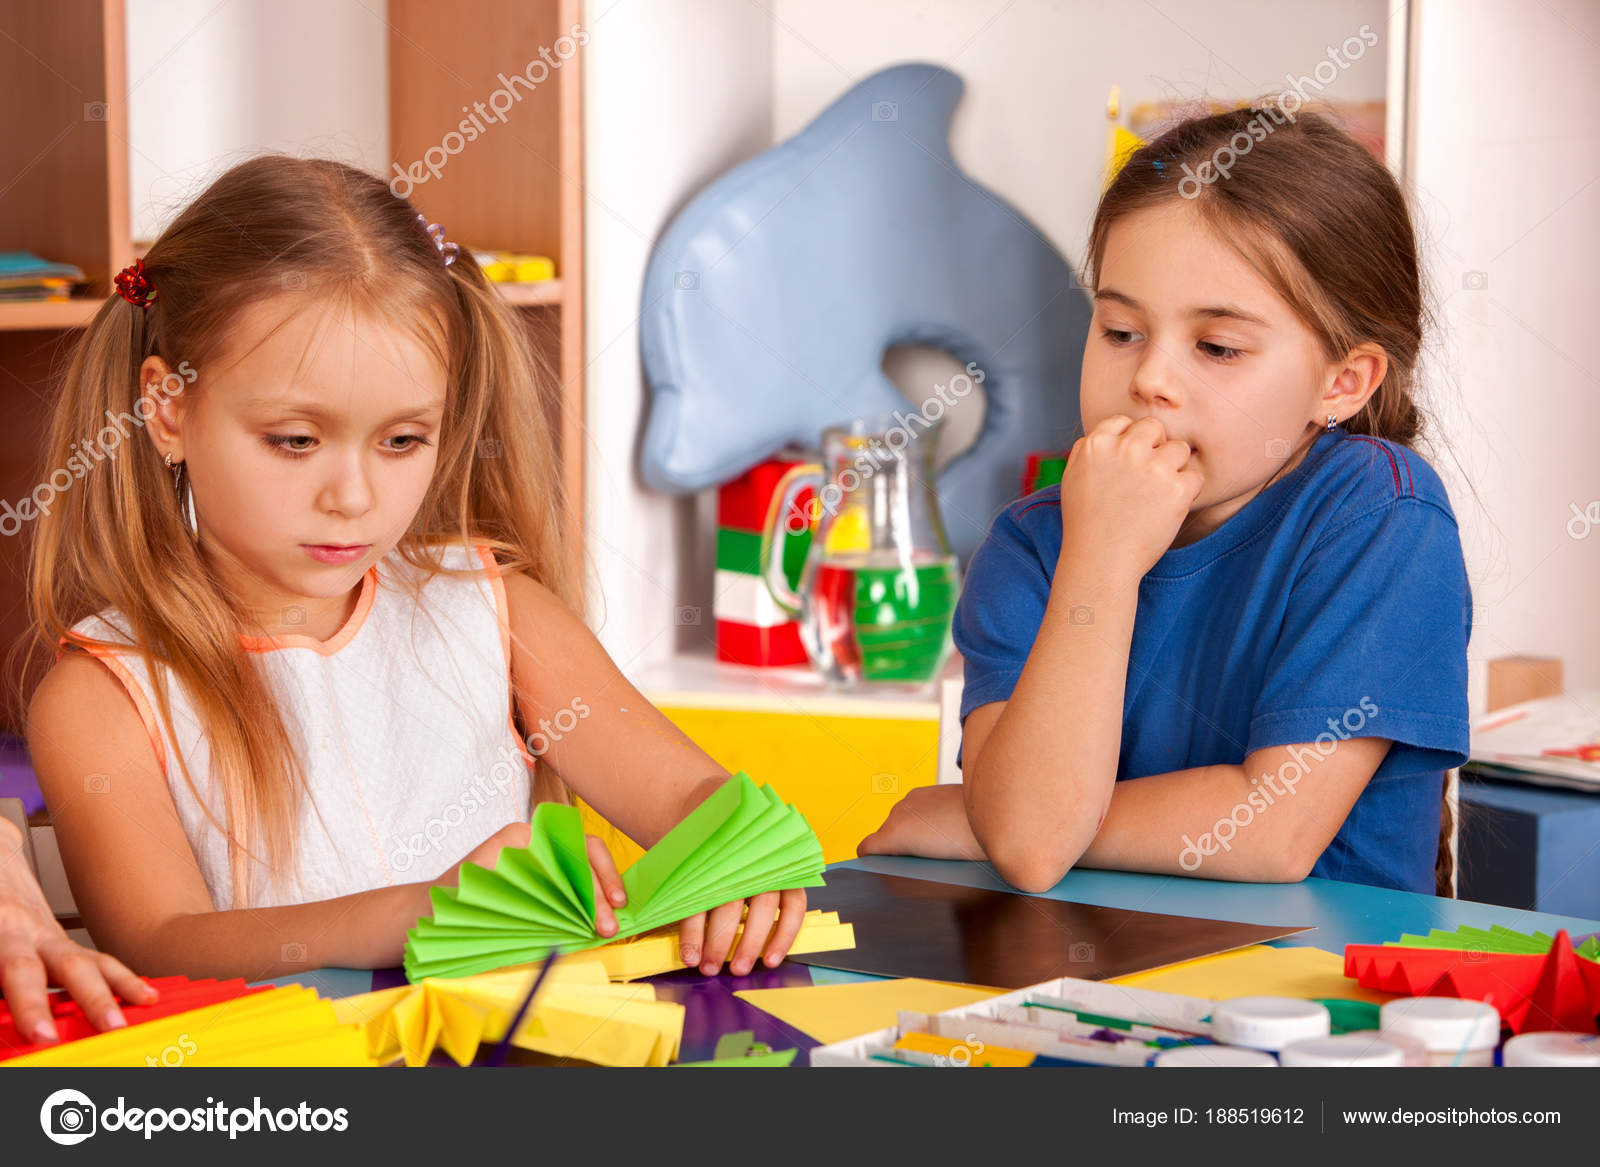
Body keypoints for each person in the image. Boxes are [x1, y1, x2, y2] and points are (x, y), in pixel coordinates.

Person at [25, 156, 805, 982]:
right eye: (295, 440)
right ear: (170, 409)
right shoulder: (103, 693)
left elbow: (691, 796)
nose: (354, 496)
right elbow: (160, 941)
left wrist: (736, 858)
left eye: (402, 441)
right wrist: (417, 909)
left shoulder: (498, 612)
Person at [861, 106, 1470, 895]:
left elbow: (1272, 832)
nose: (1150, 379)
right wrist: (1101, 558)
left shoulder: (1380, 515)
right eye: (1120, 330)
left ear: (1341, 382)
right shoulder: (1031, 546)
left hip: (1311, 997)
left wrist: (972, 821)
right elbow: (1032, 844)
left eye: (1217, 347)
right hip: (1084, 993)